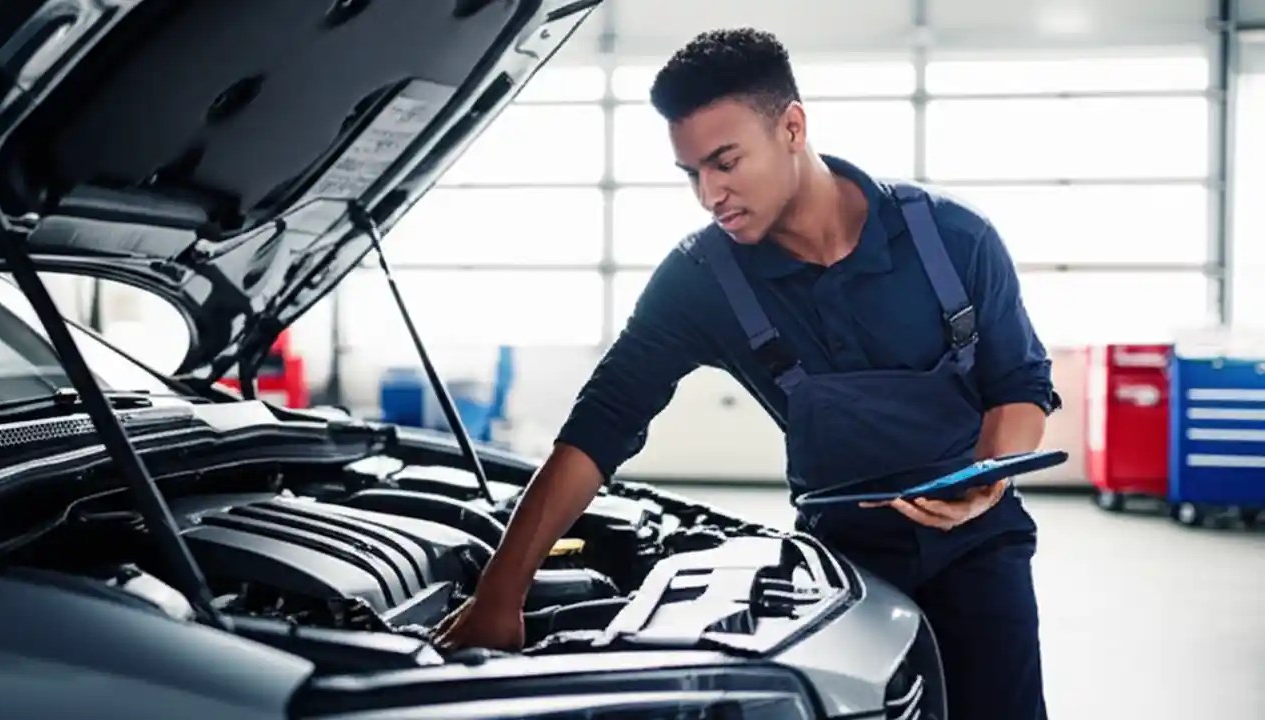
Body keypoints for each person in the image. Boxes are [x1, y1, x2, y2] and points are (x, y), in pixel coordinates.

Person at [435, 27, 1061, 720]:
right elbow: (602, 424)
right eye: (691, 173)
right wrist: (501, 592)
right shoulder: (700, 280)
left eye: (726, 162)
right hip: (843, 567)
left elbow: (1019, 388)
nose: (709, 194)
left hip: (981, 550)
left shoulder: (954, 237)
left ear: (792, 126)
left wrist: (987, 478)